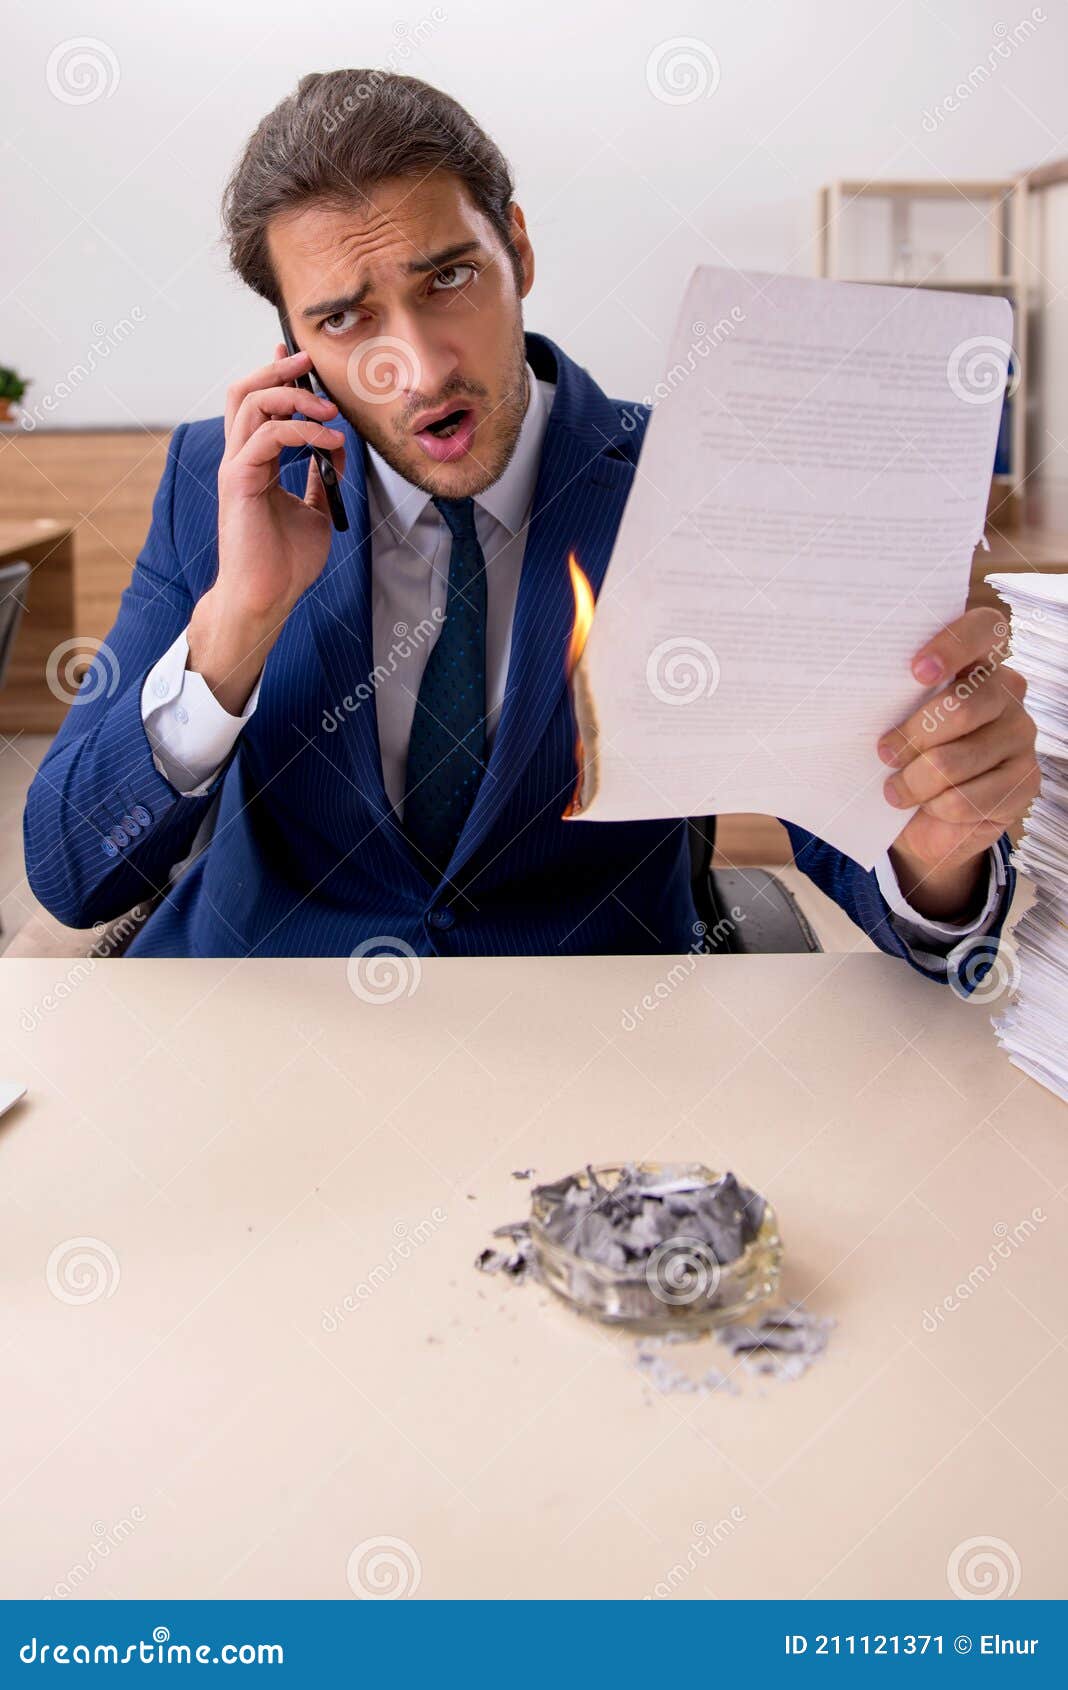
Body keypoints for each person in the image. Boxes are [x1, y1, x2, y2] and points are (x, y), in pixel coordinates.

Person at [23, 72, 1038, 981]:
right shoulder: (225, 478)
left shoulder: (687, 480)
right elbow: (73, 871)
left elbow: (871, 854)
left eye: (448, 279)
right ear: (292, 347)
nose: (418, 366)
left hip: (588, 1054)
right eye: (344, 319)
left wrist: (936, 853)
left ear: (518, 248)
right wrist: (235, 626)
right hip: (268, 1023)